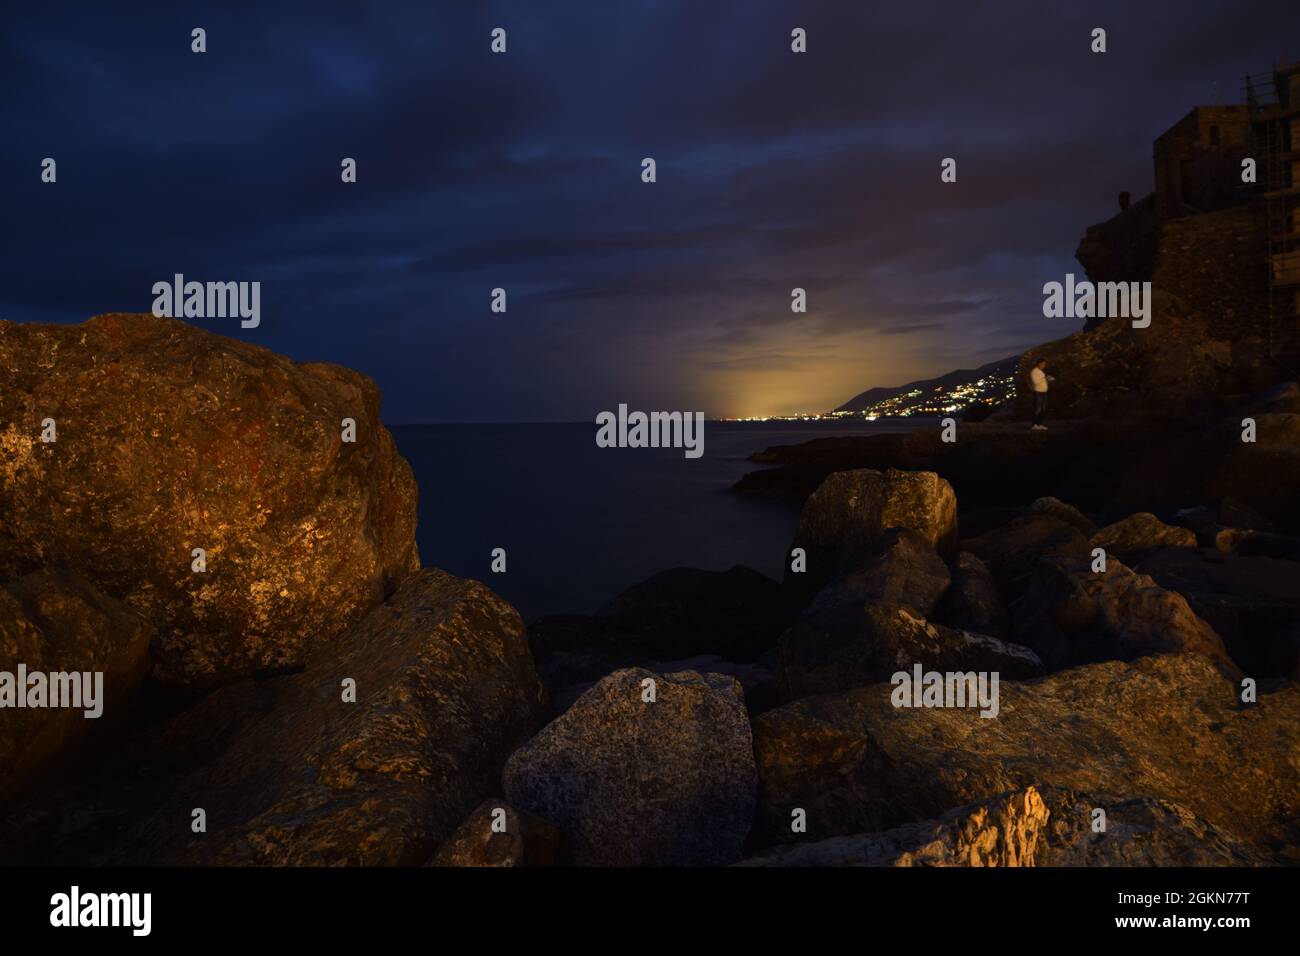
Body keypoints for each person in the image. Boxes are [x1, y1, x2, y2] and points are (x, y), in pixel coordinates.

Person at [1029, 359, 1051, 431]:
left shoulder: (1040, 371)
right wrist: (1045, 379)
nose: (1044, 365)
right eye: (1043, 364)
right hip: (1038, 393)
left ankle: (1040, 424)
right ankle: (1034, 425)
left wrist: (1046, 379)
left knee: (1042, 409)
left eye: (1044, 364)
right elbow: (1035, 382)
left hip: (1043, 392)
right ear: (1039, 364)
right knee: (1037, 409)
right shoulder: (1034, 371)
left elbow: (1042, 380)